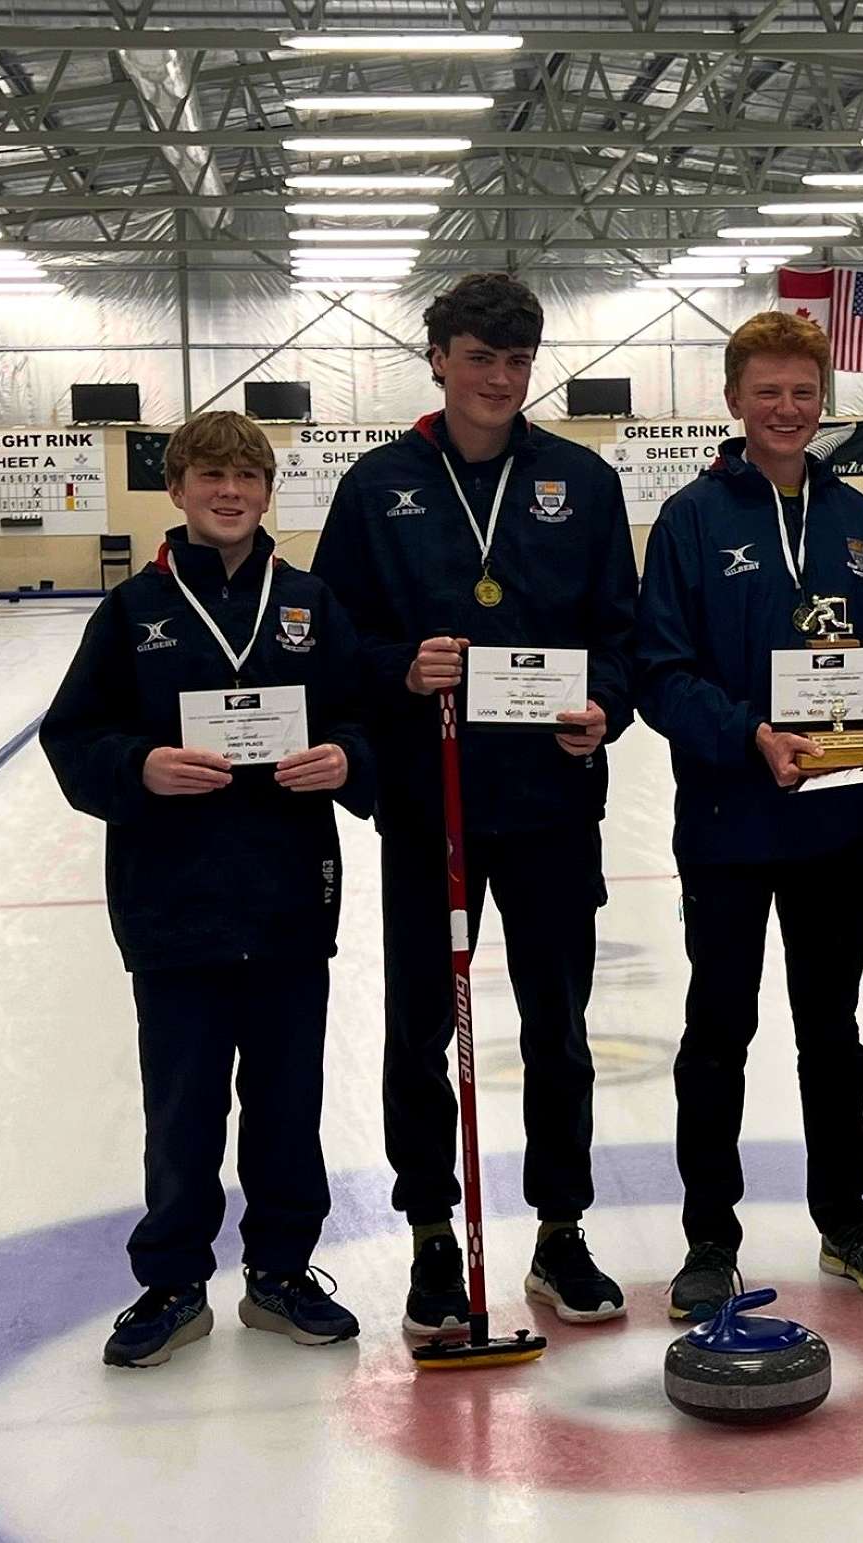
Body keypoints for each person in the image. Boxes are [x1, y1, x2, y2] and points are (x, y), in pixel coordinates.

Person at [312, 274, 639, 1330]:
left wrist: (605, 707)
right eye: (478, 357)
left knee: (559, 1027)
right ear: (438, 358)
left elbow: (623, 638)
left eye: (515, 362)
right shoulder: (377, 489)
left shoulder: (581, 485)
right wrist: (398, 669)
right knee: (419, 1032)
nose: (497, 380)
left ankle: (556, 1232)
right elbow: (331, 647)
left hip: (548, 804)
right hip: (428, 807)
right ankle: (429, 1234)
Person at [41, 410, 372, 1367]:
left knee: (284, 1098)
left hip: (286, 897)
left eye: (247, 477)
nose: (230, 493)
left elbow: (360, 717)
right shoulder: (131, 612)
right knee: (181, 1104)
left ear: (269, 493)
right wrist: (138, 766)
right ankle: (173, 1280)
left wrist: (345, 758)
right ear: (177, 490)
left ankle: (279, 1271)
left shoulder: (309, 602)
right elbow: (73, 735)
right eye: (210, 475)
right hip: (171, 901)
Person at [634, 311, 863, 1321]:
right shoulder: (690, 520)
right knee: (718, 1029)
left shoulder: (852, 520)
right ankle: (709, 1237)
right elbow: (657, 674)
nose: (787, 410)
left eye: (803, 392)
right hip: (727, 820)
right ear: (732, 401)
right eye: (767, 392)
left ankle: (843, 1219)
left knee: (831, 1031)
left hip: (834, 827)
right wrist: (745, 734)